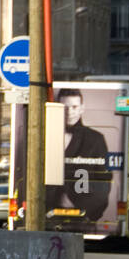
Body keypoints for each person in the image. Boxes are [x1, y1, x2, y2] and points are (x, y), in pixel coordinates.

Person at [50, 88, 112, 220]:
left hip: (83, 215)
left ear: (81, 108)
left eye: (74, 107)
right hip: (46, 212)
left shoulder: (95, 139)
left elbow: (104, 180)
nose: (69, 112)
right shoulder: (45, 136)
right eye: (65, 107)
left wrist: (84, 208)